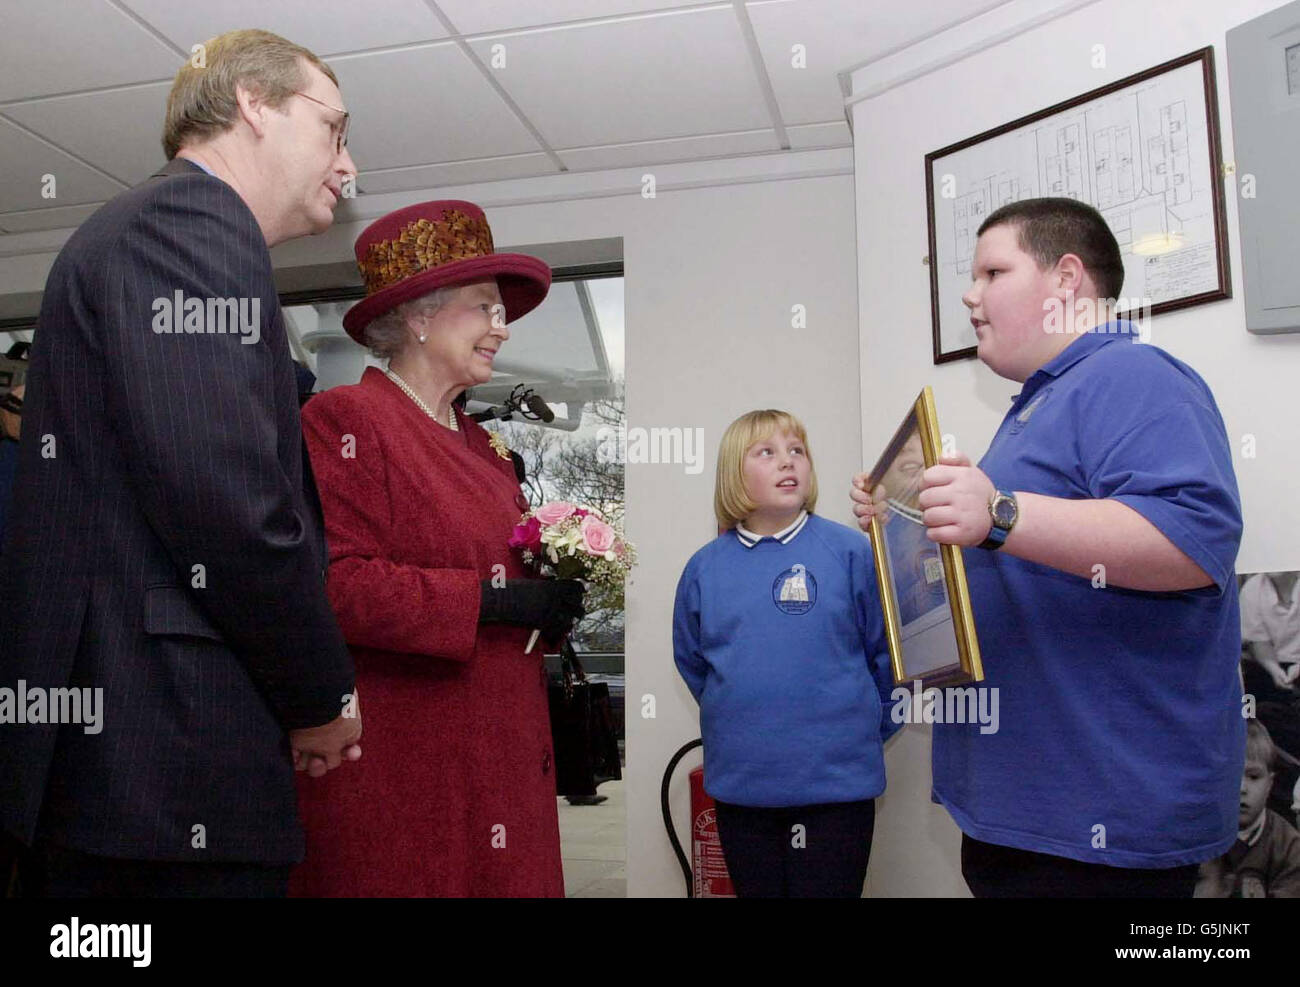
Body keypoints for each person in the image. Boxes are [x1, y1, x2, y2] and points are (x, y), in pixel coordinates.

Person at [0, 29, 362, 898]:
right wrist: (319, 695)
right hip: (162, 758)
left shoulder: (161, 232)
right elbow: (231, 505)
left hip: (129, 772)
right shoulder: (188, 227)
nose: (348, 168)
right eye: (337, 130)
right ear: (253, 104)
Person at [853, 197, 1243, 897]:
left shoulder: (1135, 375)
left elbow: (1194, 539)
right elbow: (1019, 569)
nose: (970, 296)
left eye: (992, 271)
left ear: (1067, 279)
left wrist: (998, 511)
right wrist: (908, 526)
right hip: (1025, 816)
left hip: (1098, 827)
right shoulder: (1035, 408)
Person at [288, 200, 585, 897]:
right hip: (410, 776)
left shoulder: (484, 444)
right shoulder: (343, 421)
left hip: (503, 763)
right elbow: (340, 584)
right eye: (484, 307)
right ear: (419, 317)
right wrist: (491, 599)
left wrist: (545, 603)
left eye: (500, 311)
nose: (501, 328)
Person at [674, 410, 899, 897]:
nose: (787, 462)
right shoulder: (704, 568)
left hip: (837, 791)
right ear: (736, 473)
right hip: (743, 789)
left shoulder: (850, 552)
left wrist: (859, 731)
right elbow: (694, 663)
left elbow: (887, 657)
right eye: (767, 452)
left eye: (797, 450)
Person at [1195, 721, 1300, 897]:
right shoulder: (1196, 835)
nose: (1242, 788)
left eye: (1253, 776)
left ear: (1270, 783)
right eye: (1232, 775)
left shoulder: (1290, 848)